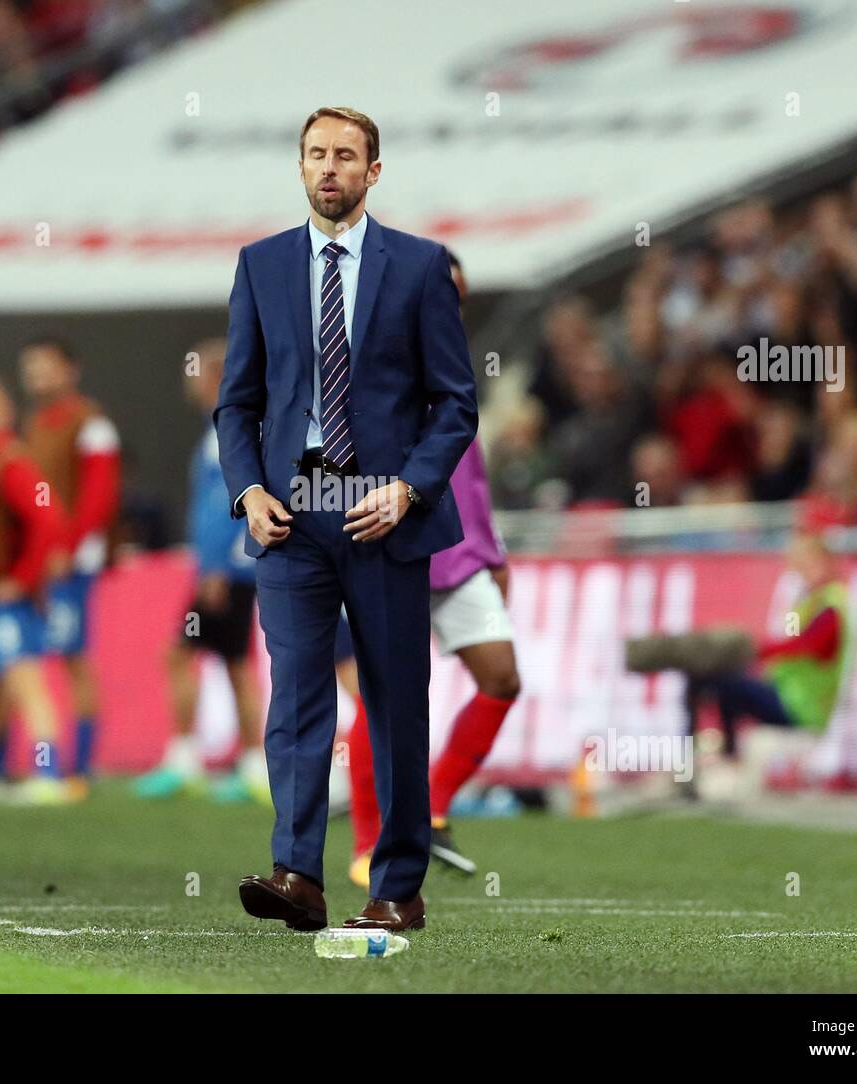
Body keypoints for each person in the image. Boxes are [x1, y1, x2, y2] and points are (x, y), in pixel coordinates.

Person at [215, 106, 477, 932]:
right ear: (299, 169)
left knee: (396, 701)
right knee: (296, 694)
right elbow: (237, 405)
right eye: (316, 155)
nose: (330, 168)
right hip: (293, 514)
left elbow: (456, 404)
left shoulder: (421, 265)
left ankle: (397, 888)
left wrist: (408, 488)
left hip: (383, 511)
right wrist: (248, 493)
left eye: (346, 156)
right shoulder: (260, 266)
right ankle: (298, 873)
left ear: (373, 171)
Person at [346, 252, 521, 885]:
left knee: (501, 677)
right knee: (384, 690)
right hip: (395, 540)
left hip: (462, 552)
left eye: (457, 293)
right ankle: (368, 845)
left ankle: (436, 804)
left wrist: (492, 550)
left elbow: (469, 473)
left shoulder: (453, 365)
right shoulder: (376, 362)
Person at [134, 338, 268, 804]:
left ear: (215, 376)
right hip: (234, 568)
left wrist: (215, 566)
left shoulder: (227, 429)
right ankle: (252, 764)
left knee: (180, 653)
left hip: (225, 571)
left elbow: (227, 504)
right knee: (234, 663)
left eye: (194, 372)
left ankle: (188, 759)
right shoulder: (237, 425)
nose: (188, 383)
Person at [0, 376, 70, 805]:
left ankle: (49, 774)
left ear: (6, 412)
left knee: (26, 684)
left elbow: (49, 518)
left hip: (12, 602)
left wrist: (22, 579)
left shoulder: (13, 463)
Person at [20, 338, 121, 797]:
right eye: (32, 367)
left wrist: (67, 546)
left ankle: (78, 766)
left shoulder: (92, 425)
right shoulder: (36, 427)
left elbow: (98, 498)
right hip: (40, 562)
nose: (38, 375)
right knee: (50, 658)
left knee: (71, 658)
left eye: (47, 366)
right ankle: (60, 766)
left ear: (70, 371)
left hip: (71, 562)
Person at [684, 530, 852, 787]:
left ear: (826, 561)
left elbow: (810, 645)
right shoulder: (810, 601)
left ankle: (725, 761)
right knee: (718, 684)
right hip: (788, 696)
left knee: (726, 685)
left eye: (806, 563)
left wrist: (755, 651)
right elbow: (793, 641)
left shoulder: (832, 604)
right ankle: (709, 759)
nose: (801, 571)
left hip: (800, 708)